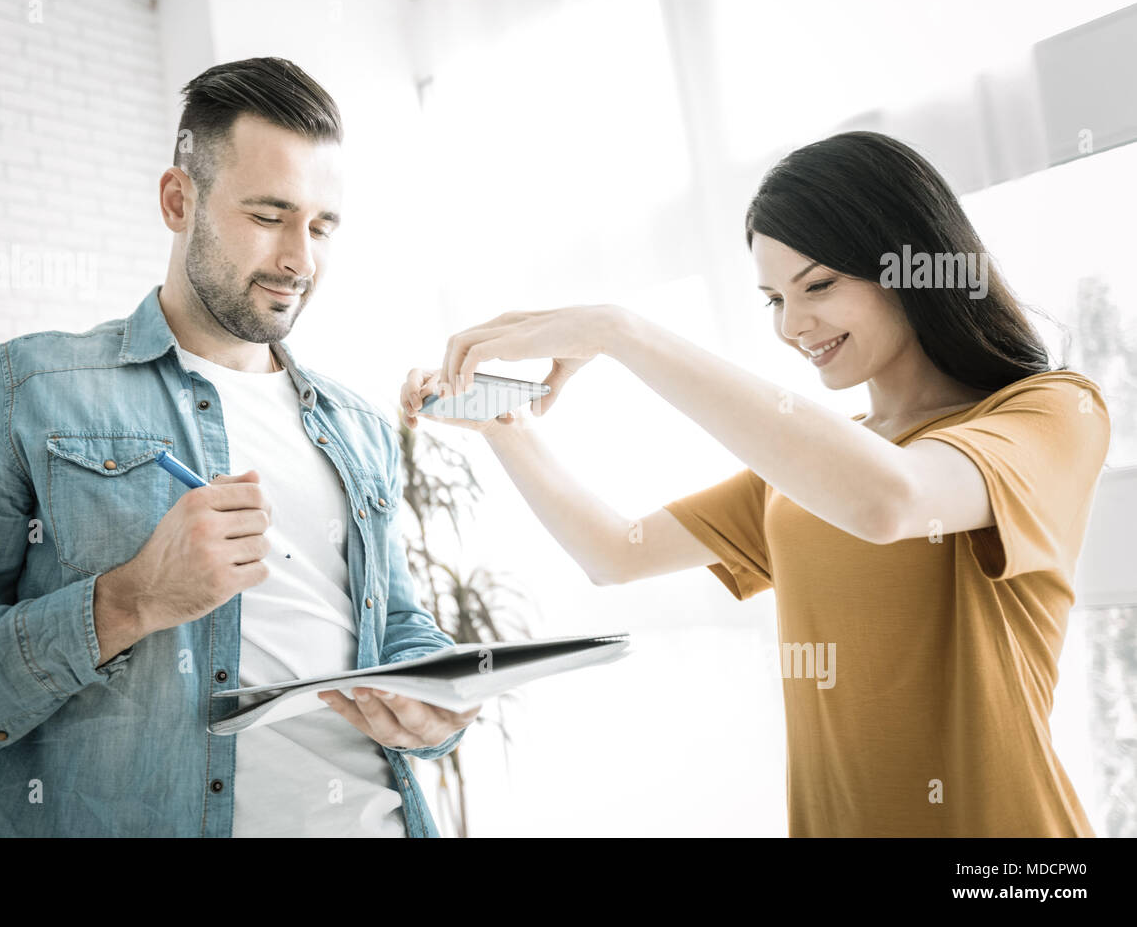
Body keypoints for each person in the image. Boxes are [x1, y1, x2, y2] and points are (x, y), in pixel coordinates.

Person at [400, 131, 1109, 836]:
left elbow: (890, 500)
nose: (793, 325)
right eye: (773, 298)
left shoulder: (1051, 412)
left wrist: (620, 333)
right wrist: (504, 425)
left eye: (820, 285)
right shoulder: (815, 465)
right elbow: (614, 551)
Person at [0, 57, 475, 837]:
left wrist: (436, 700)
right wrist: (128, 600)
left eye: (322, 225)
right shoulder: (27, 391)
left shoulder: (358, 426)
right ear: (179, 200)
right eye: (269, 215)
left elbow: (396, 627)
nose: (300, 260)